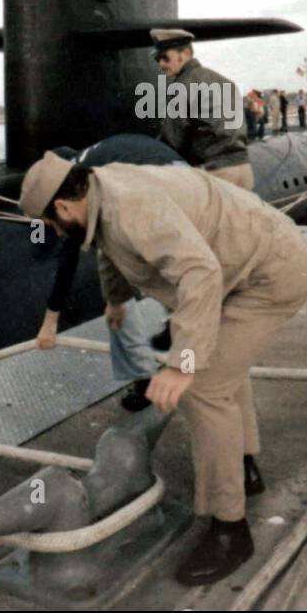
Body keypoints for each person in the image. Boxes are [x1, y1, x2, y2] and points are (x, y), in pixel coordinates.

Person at [20, 152, 307, 586]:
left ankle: (230, 529)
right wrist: (116, 299)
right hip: (244, 267)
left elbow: (200, 272)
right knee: (221, 367)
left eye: (51, 223)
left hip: (268, 274)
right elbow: (108, 246)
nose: (55, 231)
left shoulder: (130, 208)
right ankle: (244, 464)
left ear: (63, 207)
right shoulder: (103, 187)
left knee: (206, 385)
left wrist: (181, 365)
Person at [35, 134, 187, 411]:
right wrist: (114, 299)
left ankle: (146, 377)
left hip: (165, 196)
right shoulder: (97, 160)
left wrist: (50, 322)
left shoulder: (81, 182)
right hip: (184, 183)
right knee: (151, 274)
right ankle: (169, 344)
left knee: (142, 280)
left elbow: (69, 255)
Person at [151, 28, 254, 190]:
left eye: (165, 57)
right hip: (243, 169)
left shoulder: (182, 86)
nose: (161, 64)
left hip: (216, 174)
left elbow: (173, 139)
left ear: (184, 54)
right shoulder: (224, 81)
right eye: (157, 59)